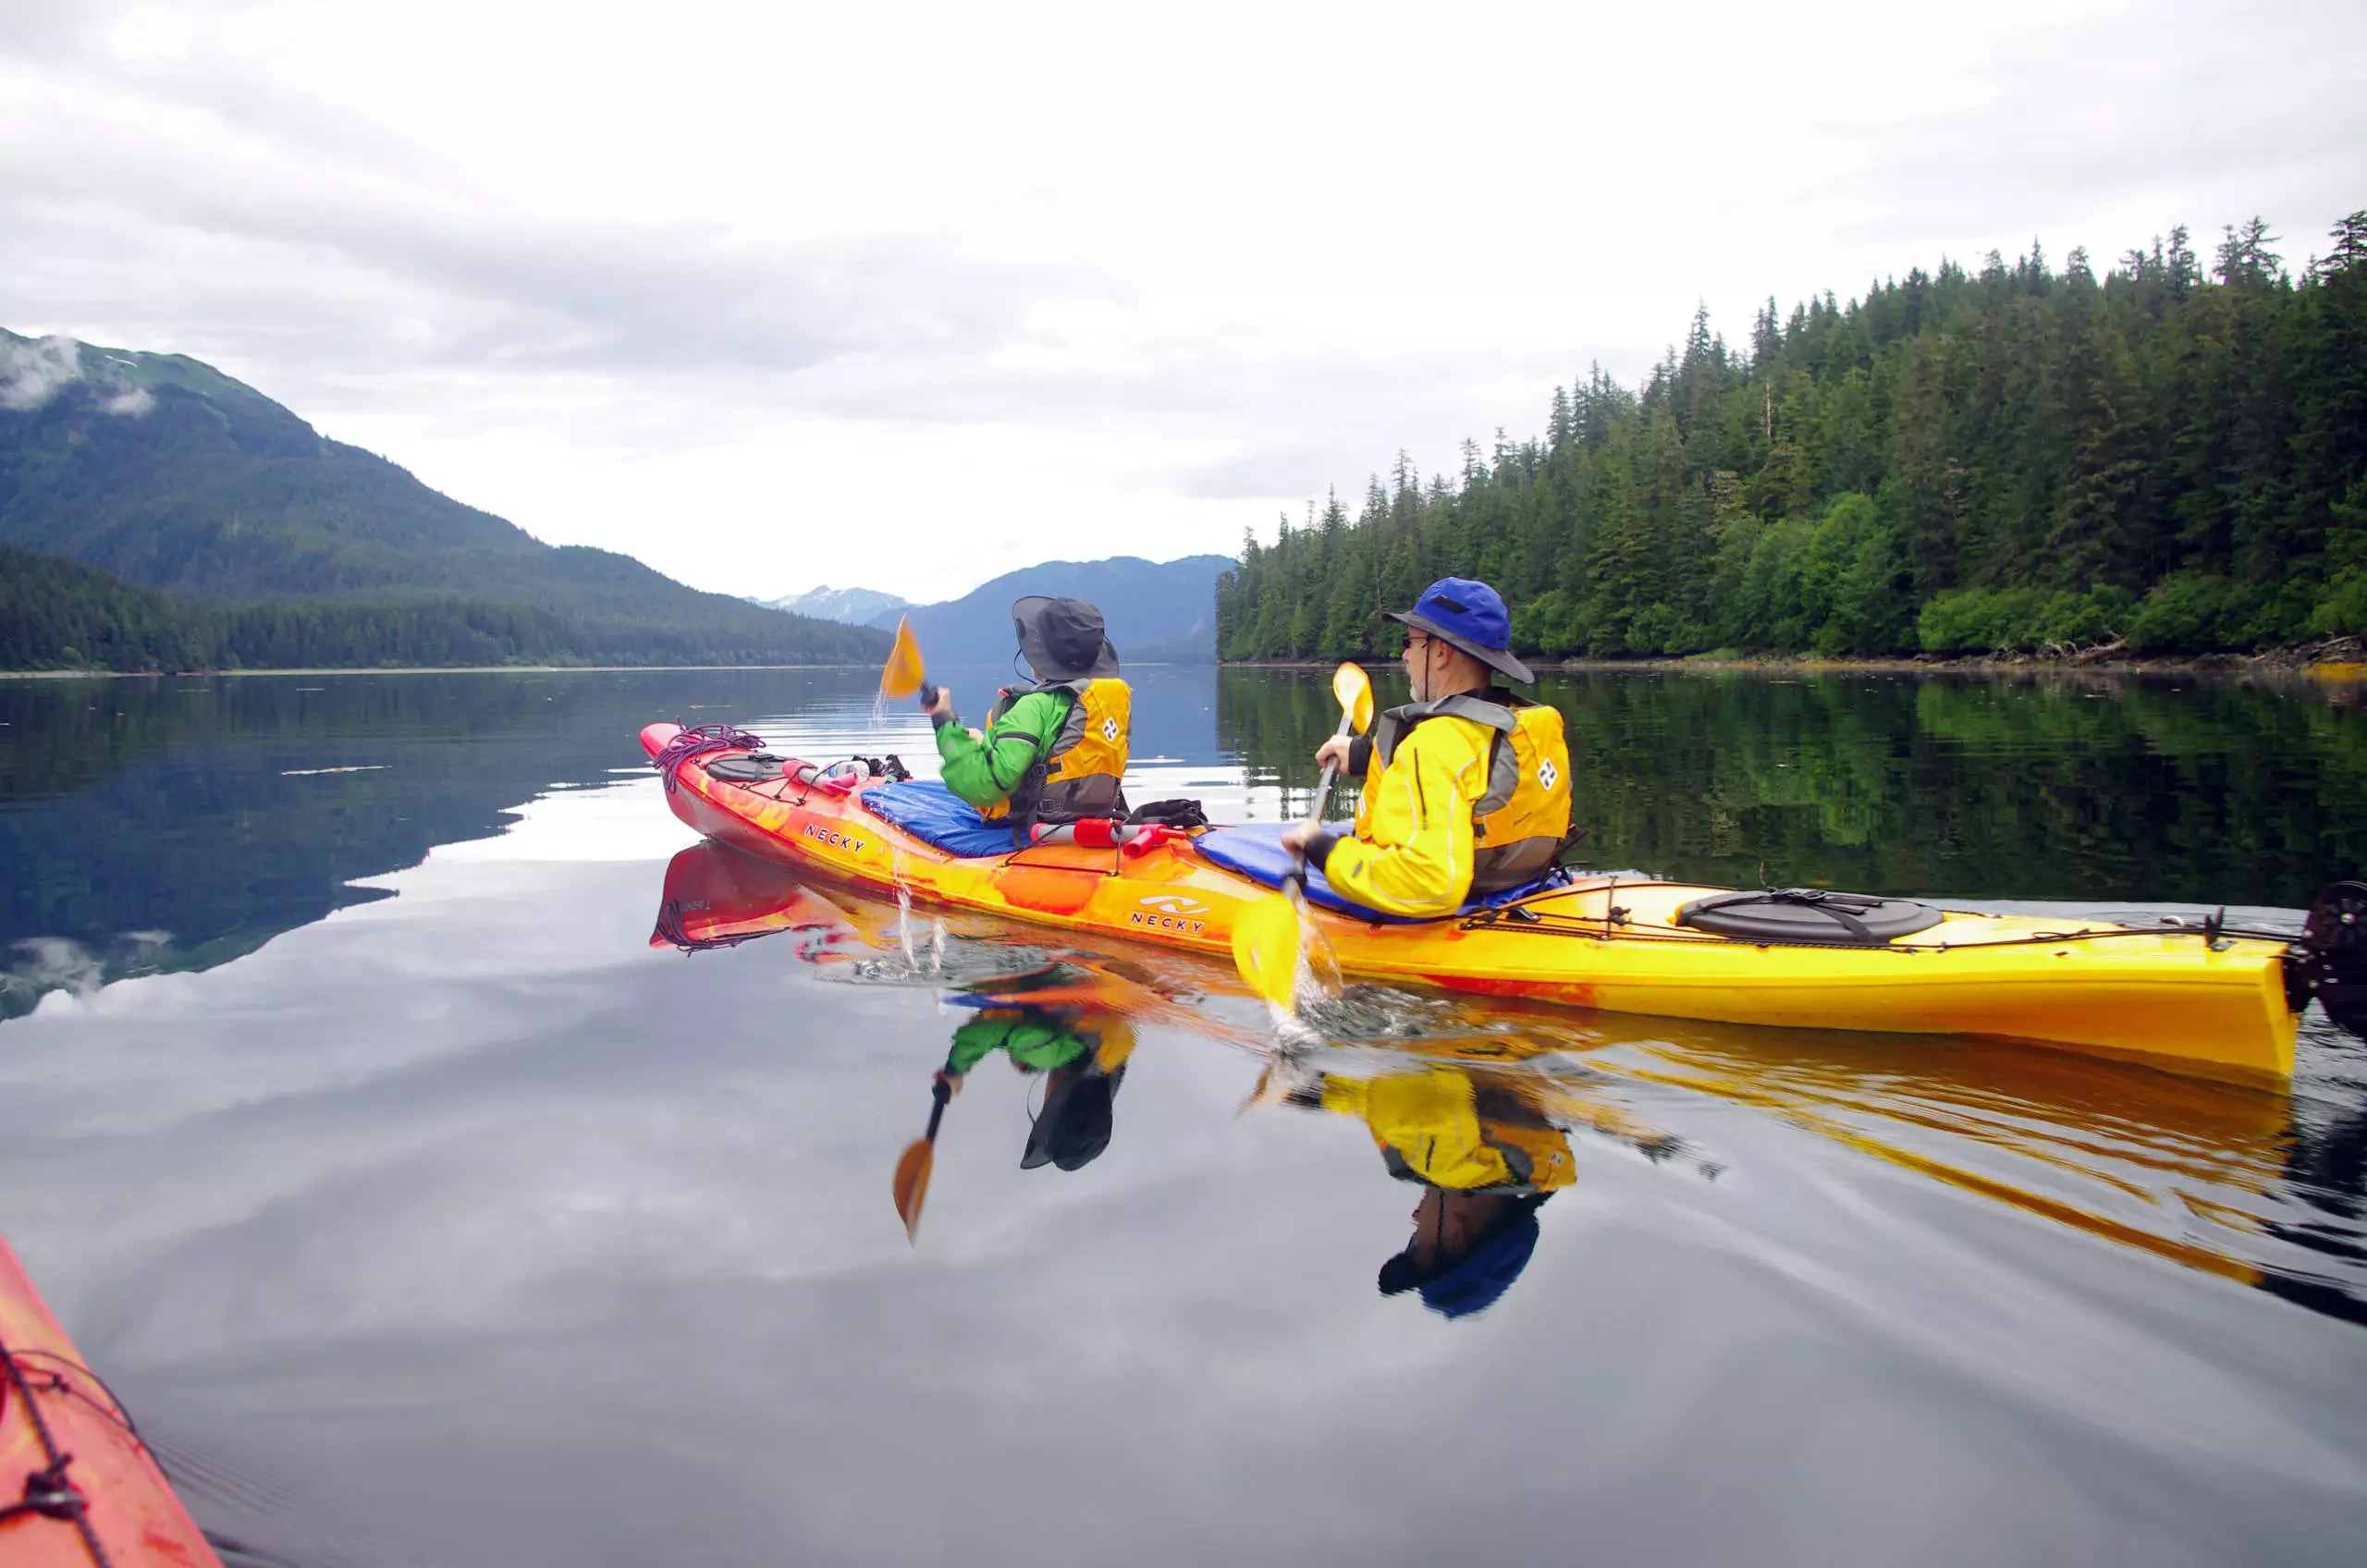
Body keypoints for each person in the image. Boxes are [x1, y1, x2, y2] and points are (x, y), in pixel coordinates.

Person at [1280, 577, 1572, 918]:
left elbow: (1430, 884)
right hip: (1521, 881)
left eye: (1410, 642)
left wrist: (1321, 848)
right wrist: (1364, 755)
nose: (1404, 655)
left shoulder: (1431, 746)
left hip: (1455, 902)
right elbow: (1478, 768)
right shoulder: (1508, 724)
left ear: (1442, 651)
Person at [926, 595, 1132, 840]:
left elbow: (986, 786)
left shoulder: (1034, 706)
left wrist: (944, 721)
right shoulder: (1109, 700)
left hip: (1042, 830)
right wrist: (984, 743)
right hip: (1095, 822)